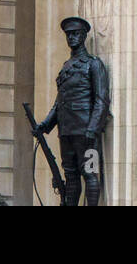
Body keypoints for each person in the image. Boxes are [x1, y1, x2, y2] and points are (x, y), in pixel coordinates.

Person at [33, 16, 110, 206]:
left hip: (86, 131)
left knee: (90, 173)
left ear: (83, 36)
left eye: (75, 34)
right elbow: (59, 102)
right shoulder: (66, 67)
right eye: (69, 34)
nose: (71, 38)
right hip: (66, 130)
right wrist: (45, 125)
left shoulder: (93, 64)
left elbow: (101, 100)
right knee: (71, 176)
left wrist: (93, 128)